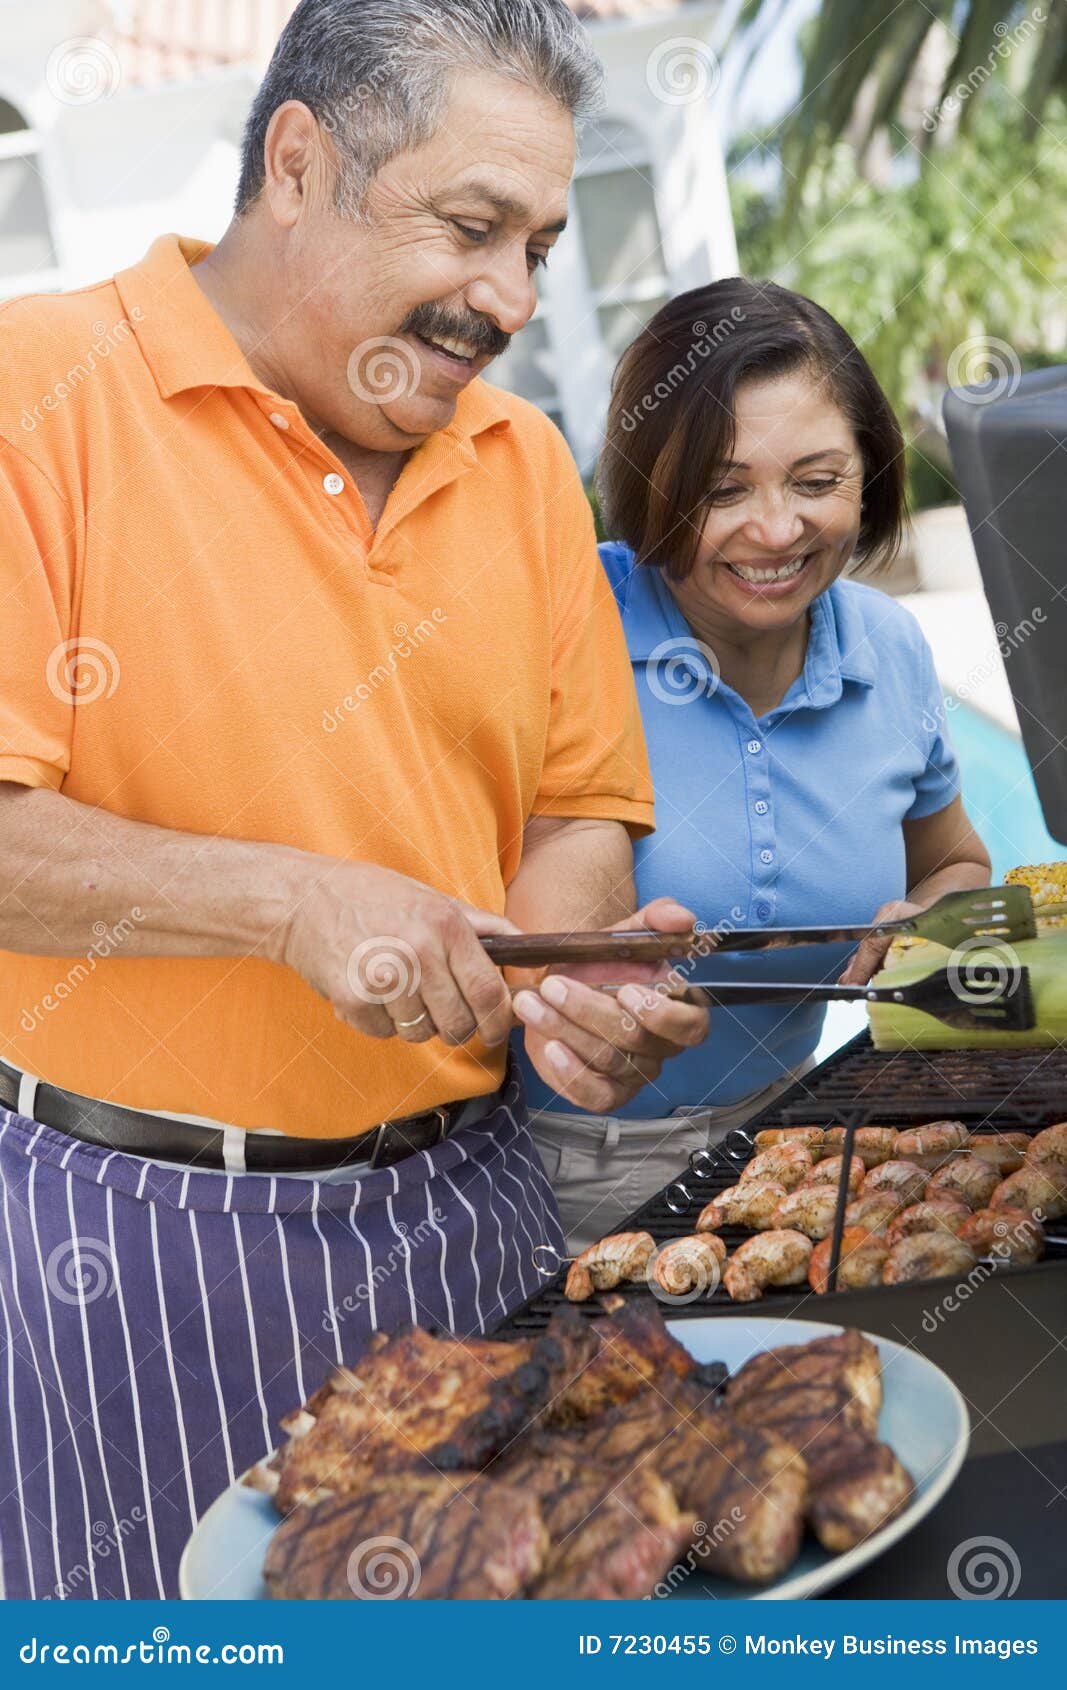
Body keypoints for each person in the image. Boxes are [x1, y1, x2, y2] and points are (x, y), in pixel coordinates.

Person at [0, 0, 708, 1600]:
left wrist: (567, 975)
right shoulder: (36, 391)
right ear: (300, 160)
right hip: (137, 1252)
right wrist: (293, 898)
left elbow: (572, 807)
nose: (513, 297)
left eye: (536, 240)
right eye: (472, 229)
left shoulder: (522, 462)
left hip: (477, 1211)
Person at [515, 279, 991, 1251]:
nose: (775, 530)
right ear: (652, 484)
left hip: (799, 1143)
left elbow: (956, 865)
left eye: (815, 482)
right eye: (721, 490)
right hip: (565, 1170)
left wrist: (923, 923)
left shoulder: (884, 647)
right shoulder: (567, 625)